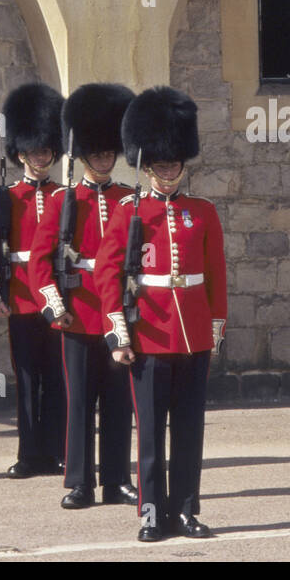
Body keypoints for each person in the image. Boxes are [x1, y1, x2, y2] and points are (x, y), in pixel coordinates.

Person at [94, 87, 227, 542]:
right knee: (150, 434)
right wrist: (118, 334)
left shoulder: (202, 212)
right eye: (161, 166)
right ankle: (152, 512)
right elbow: (106, 276)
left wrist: (213, 329)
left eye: (175, 165)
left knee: (189, 431)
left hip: (193, 336)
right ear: (146, 165)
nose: (169, 174)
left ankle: (186, 509)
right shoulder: (128, 211)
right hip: (148, 333)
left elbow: (215, 277)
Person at [30, 83, 138, 510]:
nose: (104, 159)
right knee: (78, 402)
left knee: (118, 401)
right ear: (84, 155)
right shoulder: (63, 201)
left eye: (109, 152)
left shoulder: (130, 199)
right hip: (76, 313)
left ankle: (115, 480)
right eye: (96, 153)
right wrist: (55, 306)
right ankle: (79, 481)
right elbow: (39, 262)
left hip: (118, 316)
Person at [0, 83, 66, 479]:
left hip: (60, 301)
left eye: (45, 150)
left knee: (60, 380)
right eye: (32, 151)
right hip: (21, 301)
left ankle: (60, 450)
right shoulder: (5, 198)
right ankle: (30, 453)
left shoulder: (67, 195)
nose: (40, 157)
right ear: (20, 154)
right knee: (27, 382)